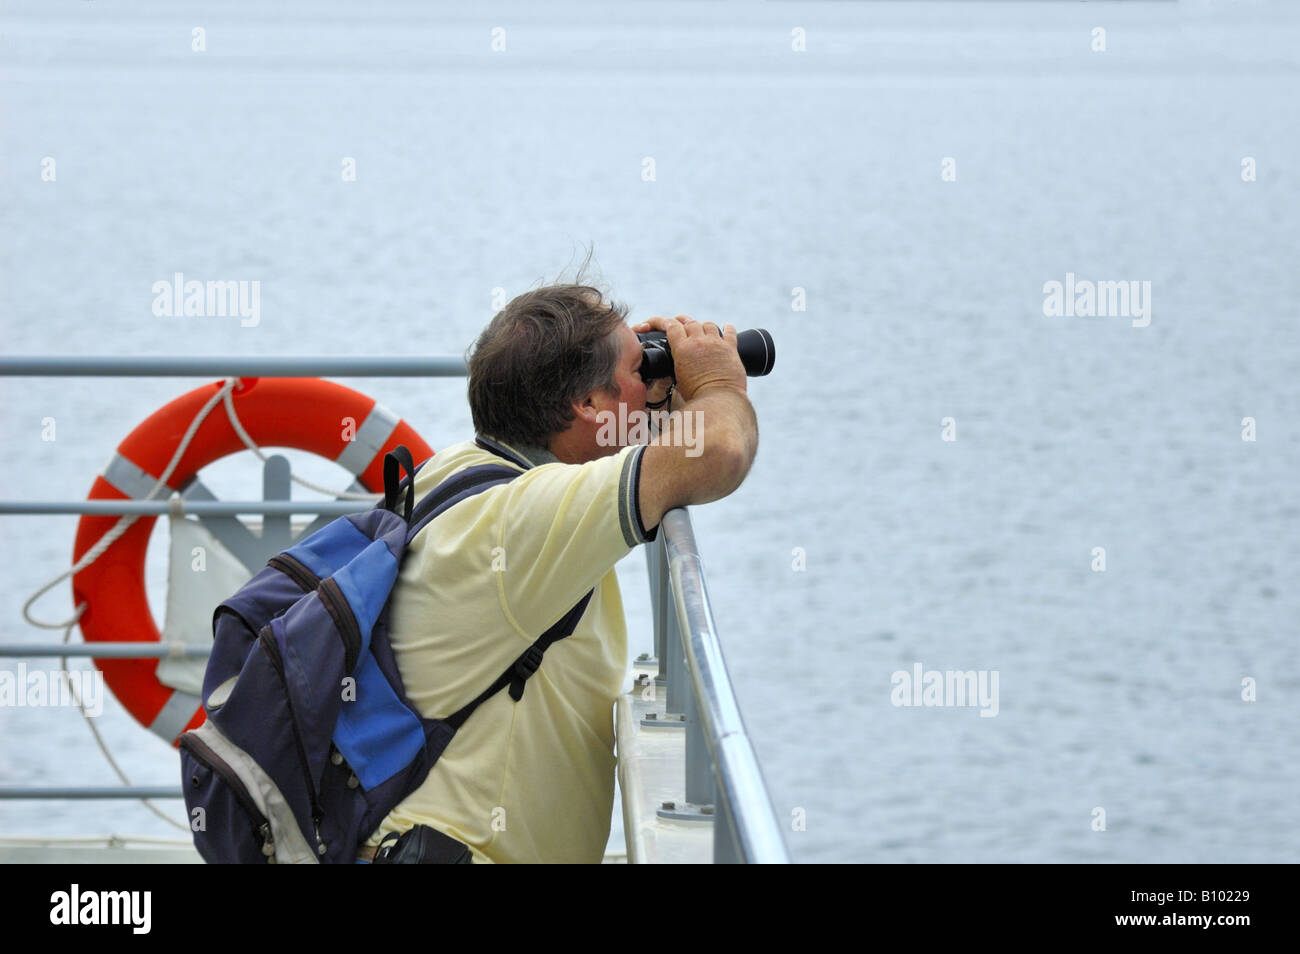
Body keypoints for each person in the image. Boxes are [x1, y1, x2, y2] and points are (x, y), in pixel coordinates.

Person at [361, 280, 758, 863]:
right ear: (589, 406)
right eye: (634, 369)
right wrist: (720, 384)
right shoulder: (528, 517)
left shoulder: (461, 472)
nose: (644, 384)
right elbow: (719, 449)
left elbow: (644, 459)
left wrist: (662, 403)